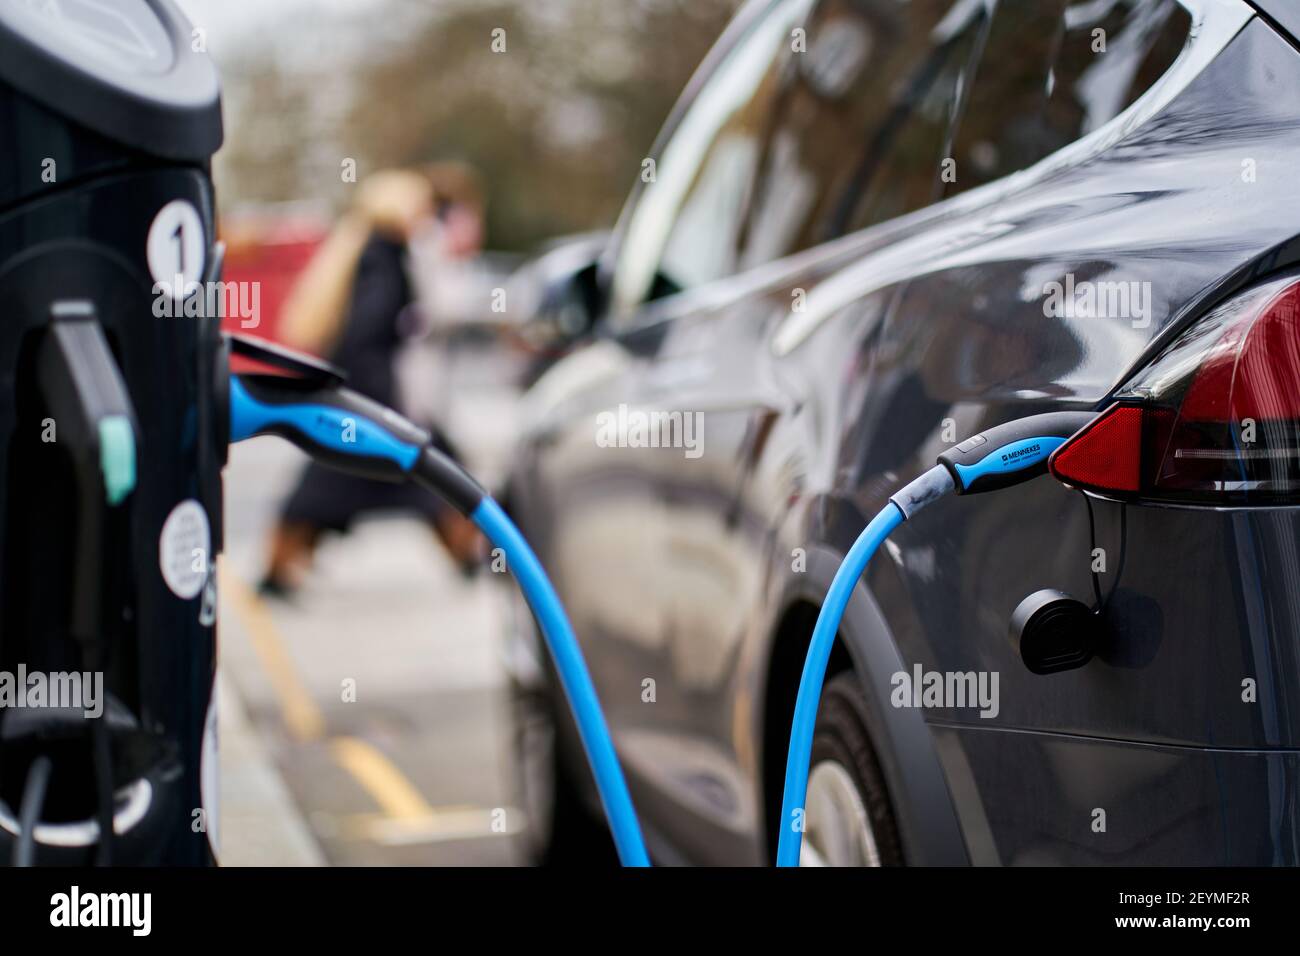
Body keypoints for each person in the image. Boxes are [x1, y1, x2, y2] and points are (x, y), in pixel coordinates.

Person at [259, 164, 487, 597]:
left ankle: (469, 554)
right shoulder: (384, 258)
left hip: (363, 396)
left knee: (419, 477)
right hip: (373, 398)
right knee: (429, 477)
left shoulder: (368, 250)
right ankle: (471, 553)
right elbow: (368, 335)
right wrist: (386, 403)